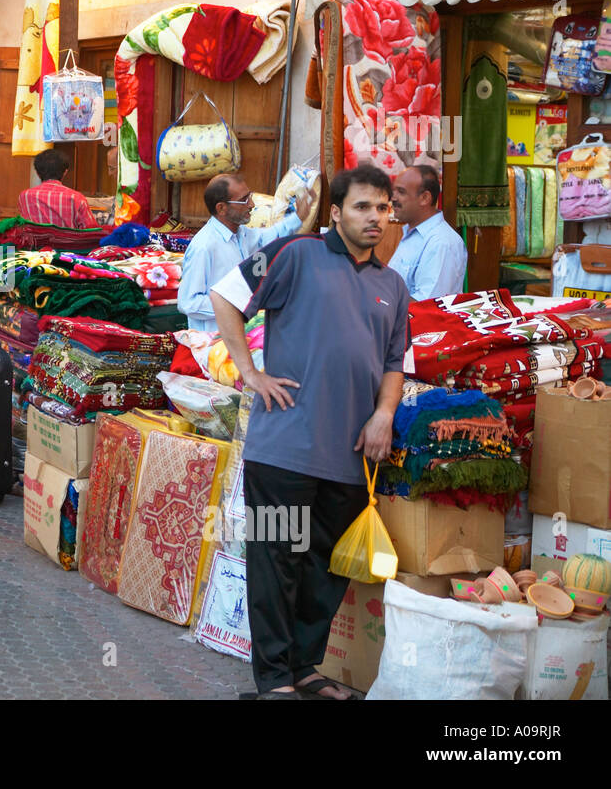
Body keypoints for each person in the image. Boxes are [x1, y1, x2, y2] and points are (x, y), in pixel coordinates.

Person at [210, 163, 409, 701]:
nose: (375, 217)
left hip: (351, 456)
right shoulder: (295, 254)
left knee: (325, 569)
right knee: (278, 562)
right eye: (363, 206)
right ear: (337, 211)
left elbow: (395, 363)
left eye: (383, 207)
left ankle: (305, 668)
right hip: (284, 452)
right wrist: (249, 371)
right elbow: (225, 294)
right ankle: (273, 679)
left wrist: (384, 414)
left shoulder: (393, 285)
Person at [177, 173, 313, 333]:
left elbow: (271, 237)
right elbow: (188, 303)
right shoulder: (204, 247)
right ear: (221, 208)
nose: (252, 204)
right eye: (244, 200)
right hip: (214, 341)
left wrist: (299, 217)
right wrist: (234, 305)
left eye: (250, 196)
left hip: (245, 331)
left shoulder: (244, 234)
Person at [390, 164, 467, 302]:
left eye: (401, 192)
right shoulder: (412, 234)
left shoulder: (441, 242)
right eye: (394, 191)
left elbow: (427, 306)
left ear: (425, 198)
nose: (393, 198)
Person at [18, 149, 96, 228]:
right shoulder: (77, 198)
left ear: (37, 174)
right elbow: (91, 230)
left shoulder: (25, 196)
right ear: (65, 172)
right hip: (68, 240)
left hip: (35, 240)